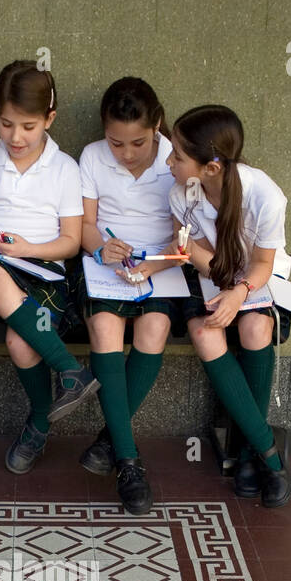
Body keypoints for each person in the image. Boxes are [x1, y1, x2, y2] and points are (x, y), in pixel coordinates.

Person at [0, 60, 99, 474]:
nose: (15, 137)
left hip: (44, 272)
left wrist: (28, 249)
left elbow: (72, 241)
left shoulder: (65, 169)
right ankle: (69, 371)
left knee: (20, 342)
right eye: (6, 124)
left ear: (50, 118)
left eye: (28, 126)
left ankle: (40, 423)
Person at [167, 105, 291, 508]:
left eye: (178, 156)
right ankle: (269, 457)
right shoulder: (180, 193)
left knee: (255, 328)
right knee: (206, 332)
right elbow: (191, 251)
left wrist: (239, 293)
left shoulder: (266, 196)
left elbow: (263, 264)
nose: (168, 162)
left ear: (211, 167)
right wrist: (220, 282)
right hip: (212, 275)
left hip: (259, 279)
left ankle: (244, 454)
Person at [72, 77, 177, 515]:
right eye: (117, 142)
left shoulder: (175, 157)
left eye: (138, 142)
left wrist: (161, 261)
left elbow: (186, 231)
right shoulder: (92, 157)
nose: (127, 153)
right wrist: (100, 247)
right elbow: (85, 224)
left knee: (155, 327)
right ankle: (129, 463)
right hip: (106, 265)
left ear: (155, 126)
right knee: (104, 326)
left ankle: (108, 441)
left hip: (163, 264)